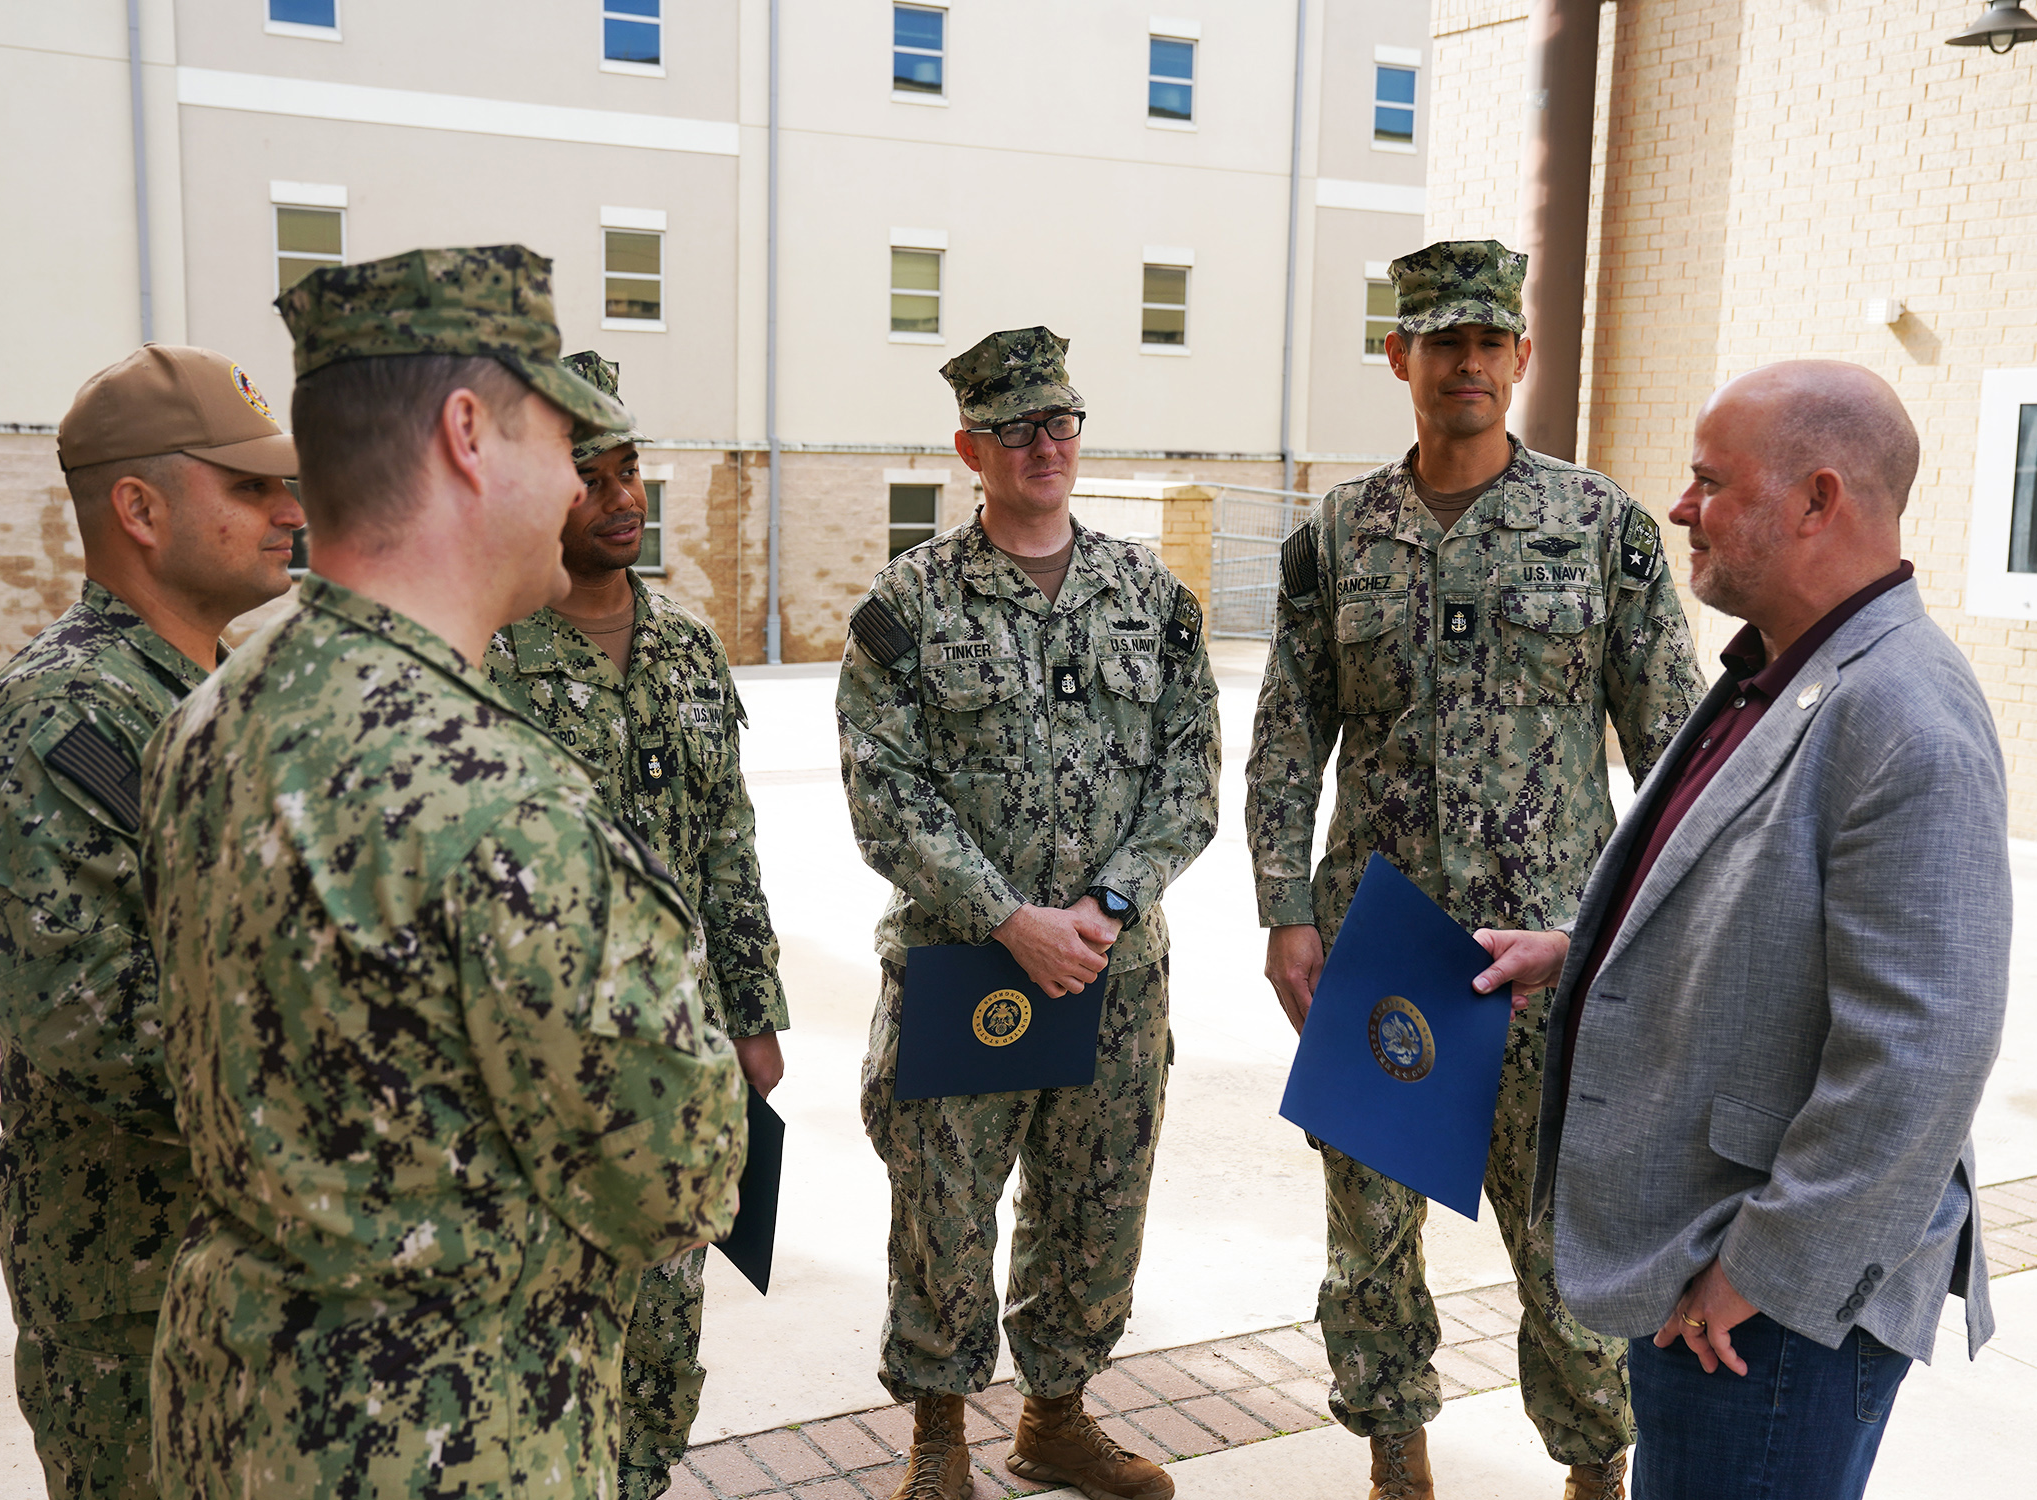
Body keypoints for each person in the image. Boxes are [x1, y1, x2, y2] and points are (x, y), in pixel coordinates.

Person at [138, 246, 746, 1498]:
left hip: (234, 1421)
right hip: (448, 1440)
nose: (579, 479)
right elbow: (684, 1175)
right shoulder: (503, 800)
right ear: (471, 435)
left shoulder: (207, 714)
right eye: (557, 440)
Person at [1473, 361, 2011, 1500]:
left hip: (1766, 1306)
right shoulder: (1786, 669)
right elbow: (1766, 919)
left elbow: (1920, 1053)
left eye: (1709, 482)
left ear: (1819, 501)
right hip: (1705, 1261)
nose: (1679, 508)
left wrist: (1757, 1273)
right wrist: (1580, 957)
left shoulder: (1905, 717)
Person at [1243, 241, 1705, 1500]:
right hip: (1380, 949)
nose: (1467, 363)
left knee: (1567, 1244)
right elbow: (1288, 736)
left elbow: (1678, 749)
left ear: (1522, 357)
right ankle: (1399, 1463)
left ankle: (1595, 1472)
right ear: (1400, 357)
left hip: (1556, 953)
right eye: (1441, 341)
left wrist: (1655, 938)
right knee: (1373, 1240)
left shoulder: (1599, 527)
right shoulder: (1337, 536)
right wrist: (1286, 909)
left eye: (1489, 341)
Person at [837, 326, 1220, 1500]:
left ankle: (1056, 1419)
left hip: (1112, 970)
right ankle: (939, 1444)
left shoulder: (1149, 596)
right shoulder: (907, 606)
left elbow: (1191, 771)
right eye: (1016, 428)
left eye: (1060, 422)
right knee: (942, 1212)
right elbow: (883, 792)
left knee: (1094, 1206)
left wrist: (1106, 905)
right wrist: (1012, 919)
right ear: (972, 448)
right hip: (967, 969)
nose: (1044, 444)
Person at [0, 344, 302, 1500]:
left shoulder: (227, 693)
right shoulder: (60, 720)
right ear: (139, 509)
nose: (289, 510)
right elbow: (94, 1029)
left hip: (270, 1265)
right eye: (250, 488)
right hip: (140, 1298)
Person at [483, 350, 789, 1500]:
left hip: (681, 1063)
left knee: (662, 1342)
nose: (621, 499)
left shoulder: (687, 647)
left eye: (631, 471)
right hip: (543, 1081)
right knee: (546, 1352)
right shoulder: (487, 654)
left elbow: (727, 840)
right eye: (591, 475)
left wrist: (754, 1014)